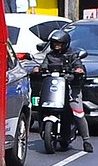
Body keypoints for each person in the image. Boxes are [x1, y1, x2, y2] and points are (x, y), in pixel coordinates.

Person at [34, 26, 92, 154]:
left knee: (78, 112)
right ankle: (44, 128)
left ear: (65, 44)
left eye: (59, 44)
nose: (56, 46)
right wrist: (38, 69)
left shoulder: (72, 55)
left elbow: (78, 65)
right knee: (40, 104)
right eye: (54, 44)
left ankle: (86, 140)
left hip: (71, 87)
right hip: (55, 88)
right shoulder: (49, 56)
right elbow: (43, 66)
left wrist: (78, 70)